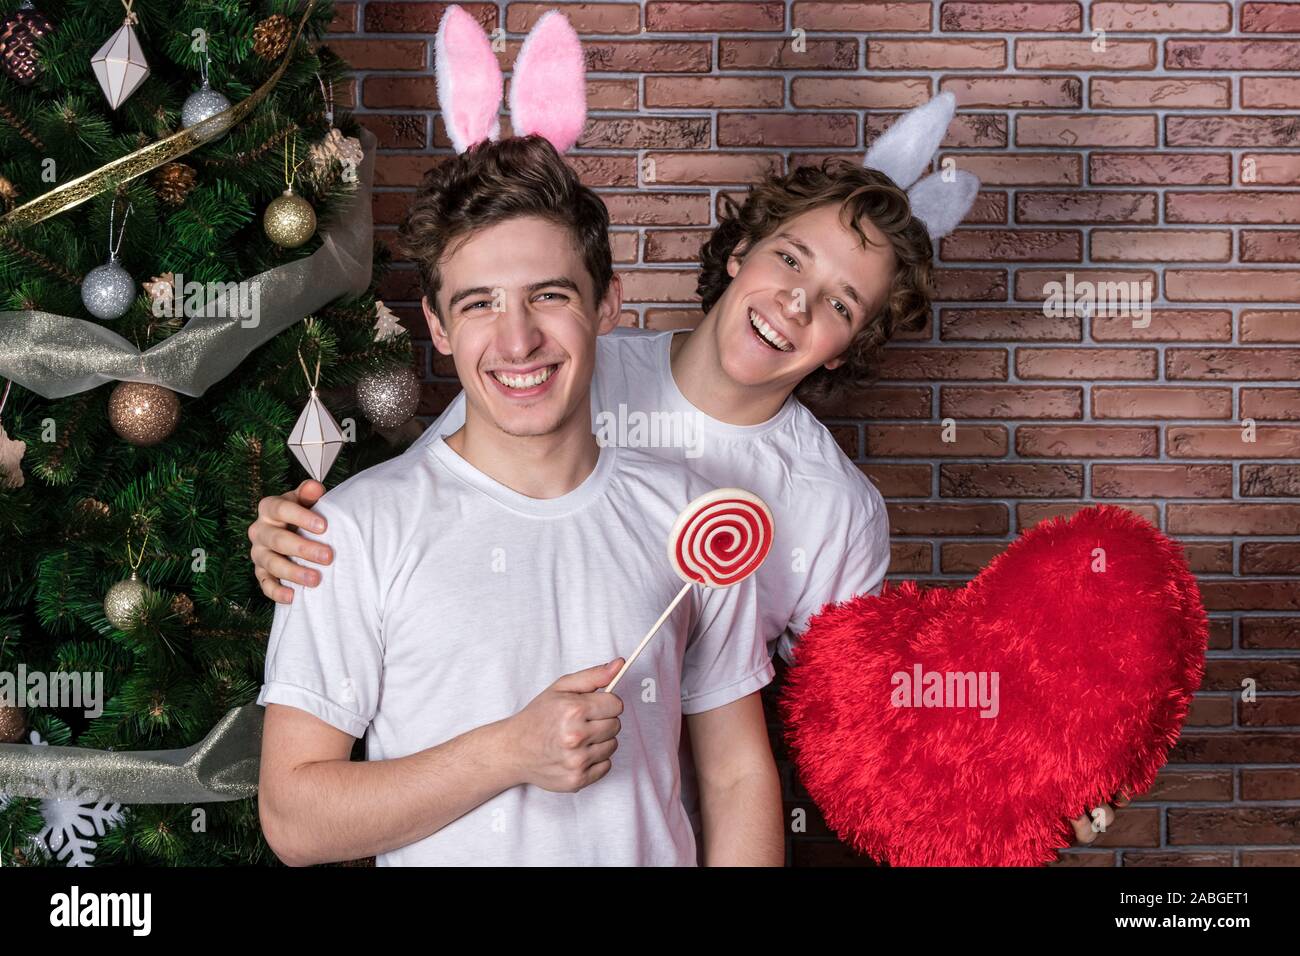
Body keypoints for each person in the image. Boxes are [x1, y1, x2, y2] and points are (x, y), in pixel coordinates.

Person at [252, 142, 1125, 849]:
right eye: (789, 258)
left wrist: (1032, 772)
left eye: (838, 304)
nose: (793, 302)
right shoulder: (565, 369)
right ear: (741, 252)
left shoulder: (819, 507)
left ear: (847, 346)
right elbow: (436, 498)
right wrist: (292, 535)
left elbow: (853, 724)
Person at [257, 134, 783, 866]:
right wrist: (508, 752)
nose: (518, 339)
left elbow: (735, 776)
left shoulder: (696, 520)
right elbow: (294, 821)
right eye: (480, 304)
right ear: (438, 327)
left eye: (550, 295)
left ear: (606, 304)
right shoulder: (353, 530)